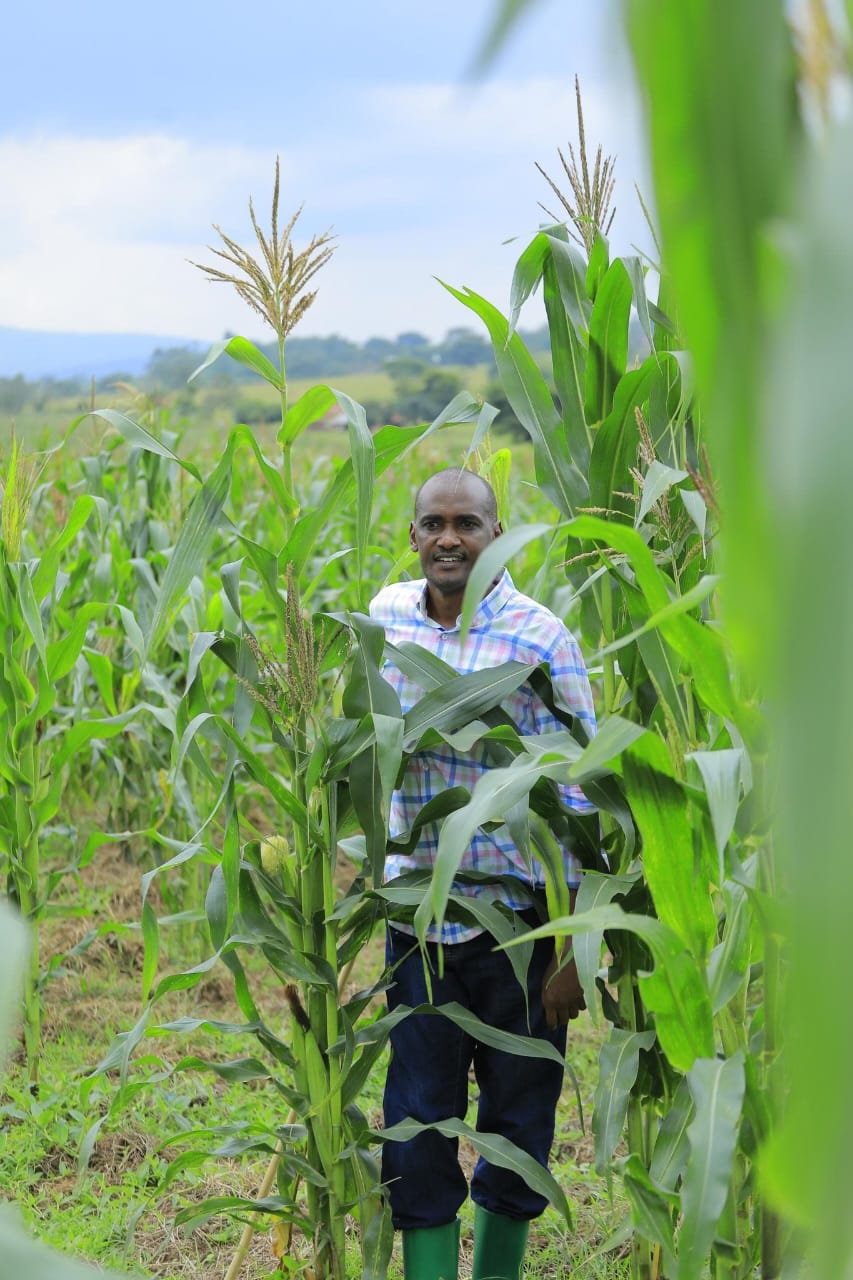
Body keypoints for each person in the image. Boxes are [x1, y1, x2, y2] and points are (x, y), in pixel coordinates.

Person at [368, 468, 597, 1280]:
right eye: (433, 523)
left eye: (467, 523)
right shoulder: (384, 618)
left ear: (495, 534)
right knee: (414, 1125)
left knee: (519, 1124)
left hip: (521, 931)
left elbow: (580, 795)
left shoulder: (540, 638)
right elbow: (367, 754)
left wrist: (572, 951)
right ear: (412, 536)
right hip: (419, 925)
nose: (449, 538)